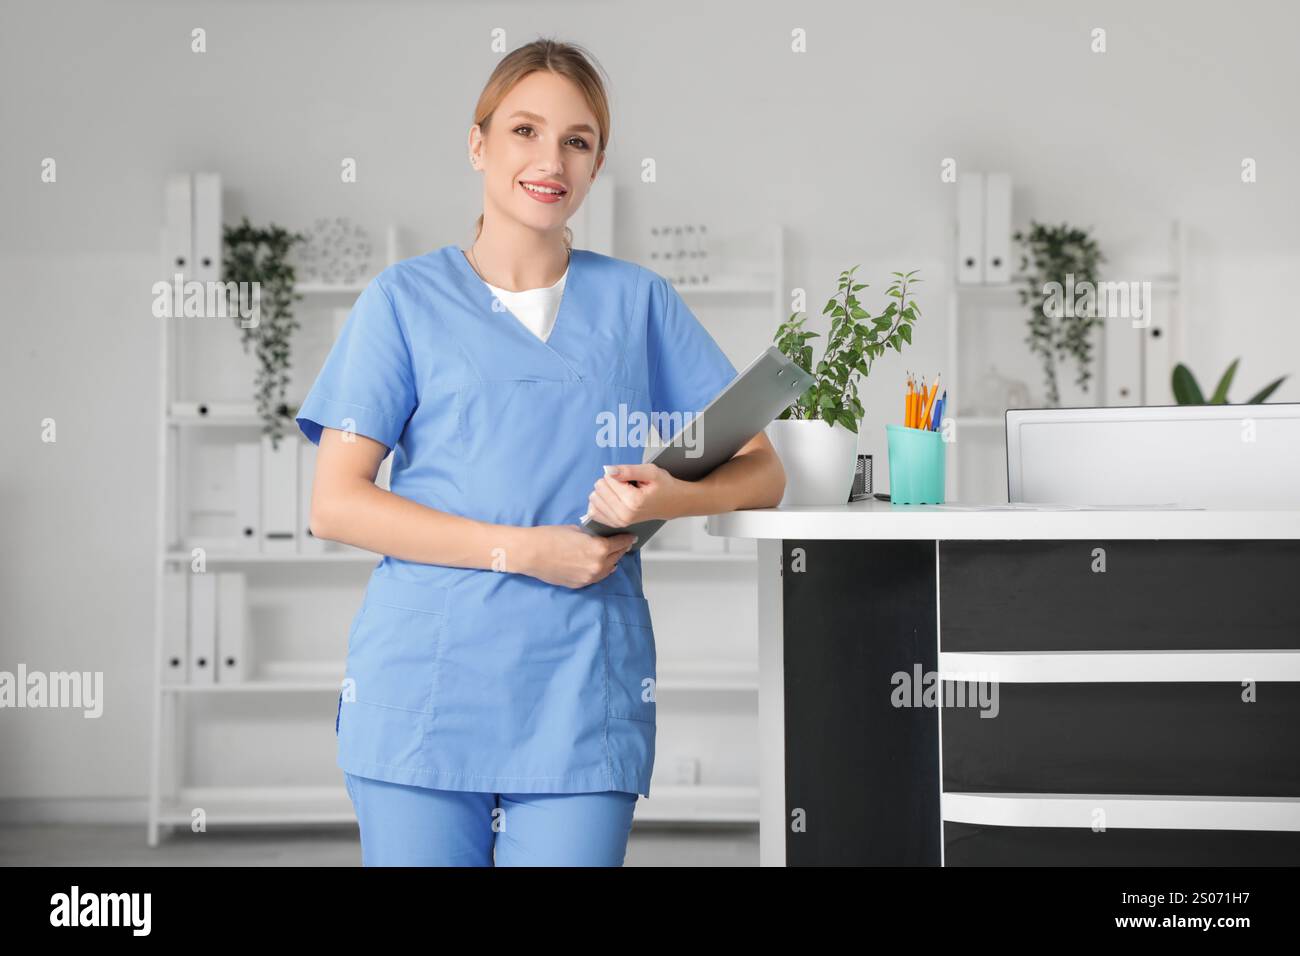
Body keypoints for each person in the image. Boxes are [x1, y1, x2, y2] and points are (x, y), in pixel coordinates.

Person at [296, 37, 786, 866]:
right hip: (426, 683)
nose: (550, 158)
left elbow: (764, 471)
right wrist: (522, 551)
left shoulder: (638, 303)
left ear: (597, 164)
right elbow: (336, 502)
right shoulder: (403, 302)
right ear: (479, 143)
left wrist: (664, 496)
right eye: (524, 130)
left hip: (581, 691)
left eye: (578, 140)